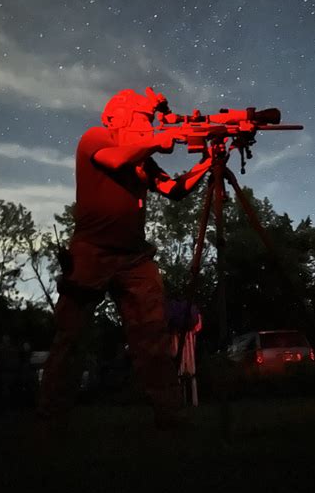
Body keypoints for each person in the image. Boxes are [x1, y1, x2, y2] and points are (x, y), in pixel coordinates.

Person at [37, 87, 212, 429]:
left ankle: (170, 417)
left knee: (153, 338)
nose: (148, 126)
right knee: (71, 338)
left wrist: (207, 162)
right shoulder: (96, 136)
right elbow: (114, 159)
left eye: (149, 121)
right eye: (142, 119)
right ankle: (50, 418)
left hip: (134, 258)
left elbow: (174, 190)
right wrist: (160, 139)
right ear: (115, 118)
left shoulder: (142, 160)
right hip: (91, 251)